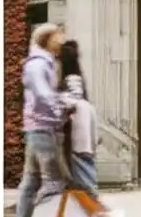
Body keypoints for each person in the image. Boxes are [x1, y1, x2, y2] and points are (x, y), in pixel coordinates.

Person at [15, 23, 65, 217]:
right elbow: (43, 93)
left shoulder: (46, 61)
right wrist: (62, 107)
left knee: (31, 181)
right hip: (42, 127)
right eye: (57, 36)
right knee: (53, 183)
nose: (61, 40)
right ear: (47, 39)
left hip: (38, 127)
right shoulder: (38, 63)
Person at [58, 40, 98, 197]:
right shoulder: (77, 76)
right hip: (83, 126)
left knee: (82, 166)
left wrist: (58, 99)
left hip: (78, 128)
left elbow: (73, 100)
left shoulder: (71, 78)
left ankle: (94, 205)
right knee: (84, 165)